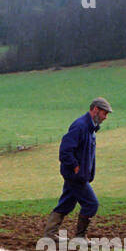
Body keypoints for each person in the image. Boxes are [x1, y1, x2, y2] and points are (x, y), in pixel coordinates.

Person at [43, 97, 112, 240]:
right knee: (91, 204)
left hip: (79, 175)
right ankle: (80, 237)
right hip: (76, 176)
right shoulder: (80, 126)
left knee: (66, 203)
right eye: (104, 113)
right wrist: (75, 167)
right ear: (95, 110)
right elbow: (65, 151)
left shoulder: (90, 128)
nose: (105, 117)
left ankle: (49, 235)